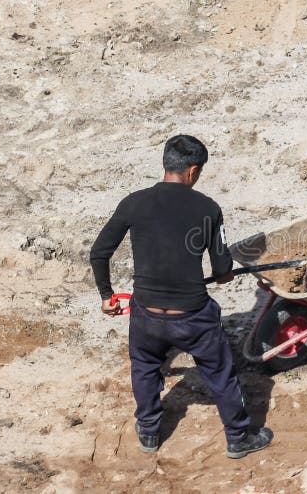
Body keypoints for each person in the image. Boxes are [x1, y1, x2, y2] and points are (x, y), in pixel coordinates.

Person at [89, 134, 273, 457]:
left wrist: (107, 295)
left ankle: (148, 431)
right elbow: (222, 270)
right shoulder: (208, 209)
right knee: (220, 372)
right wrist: (225, 273)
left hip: (144, 313)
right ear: (192, 171)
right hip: (192, 317)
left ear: (166, 164)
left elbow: (99, 252)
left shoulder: (133, 203)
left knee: (145, 366)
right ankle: (238, 437)